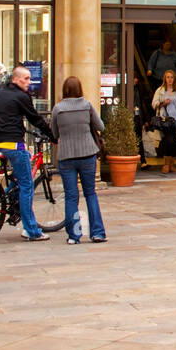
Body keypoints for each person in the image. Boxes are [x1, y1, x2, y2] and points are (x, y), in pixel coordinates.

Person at [0, 64, 56, 240]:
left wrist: (4, 120)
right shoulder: (22, 97)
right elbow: (35, 119)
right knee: (27, 185)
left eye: (30, 78)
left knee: (19, 177)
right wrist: (52, 136)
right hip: (14, 144)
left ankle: (12, 202)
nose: (29, 82)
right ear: (16, 79)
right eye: (26, 79)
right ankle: (32, 230)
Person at [50, 77, 108, 244]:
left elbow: (54, 133)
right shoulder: (87, 106)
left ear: (65, 90)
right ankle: (97, 232)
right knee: (90, 193)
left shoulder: (57, 109)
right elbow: (101, 127)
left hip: (66, 156)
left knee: (71, 196)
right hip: (87, 154)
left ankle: (74, 236)